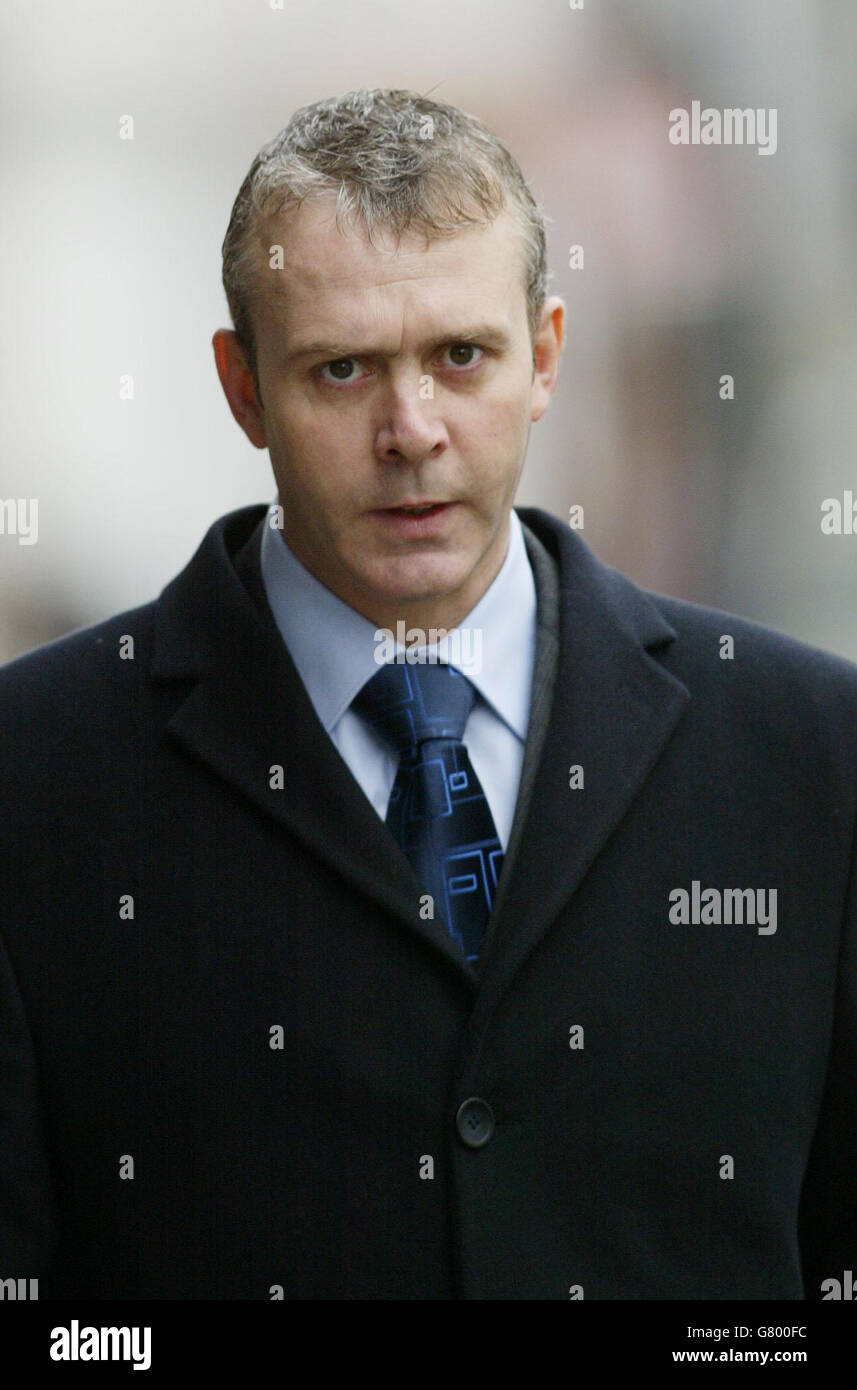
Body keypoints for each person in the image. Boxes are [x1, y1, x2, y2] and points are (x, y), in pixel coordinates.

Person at [1, 87, 855, 1301]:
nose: (411, 430)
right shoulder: (33, 777)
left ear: (545, 354)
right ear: (241, 388)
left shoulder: (811, 757)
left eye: (460, 356)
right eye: (341, 369)